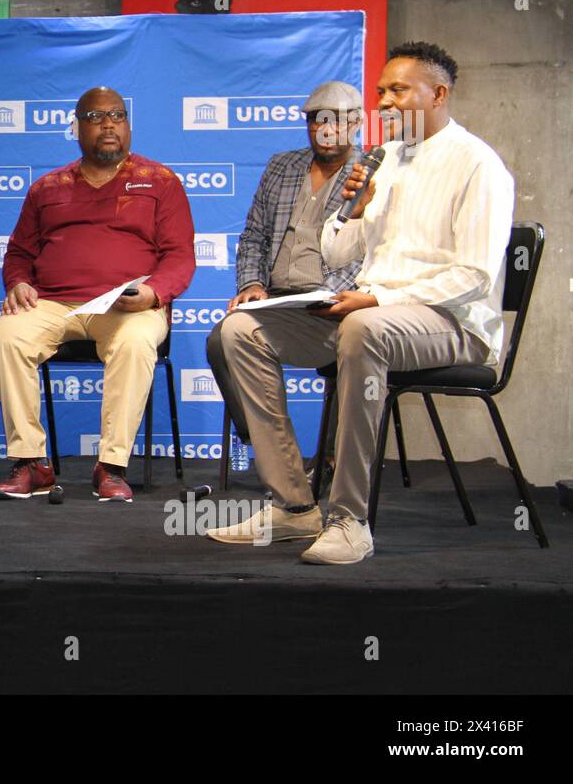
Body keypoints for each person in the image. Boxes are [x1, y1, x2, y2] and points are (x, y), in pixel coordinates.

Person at [208, 42, 513, 564]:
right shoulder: (385, 158)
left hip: (453, 323)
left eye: (399, 90)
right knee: (240, 330)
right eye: (380, 92)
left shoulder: (478, 165)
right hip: (373, 312)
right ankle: (293, 505)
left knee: (362, 330)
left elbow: (475, 275)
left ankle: (349, 520)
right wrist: (353, 212)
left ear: (439, 94)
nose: (386, 103)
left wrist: (376, 298)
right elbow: (338, 253)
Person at [0, 86, 195, 503]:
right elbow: (19, 253)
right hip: (52, 302)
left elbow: (179, 256)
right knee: (7, 335)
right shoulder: (48, 187)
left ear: (128, 125)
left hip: (126, 305)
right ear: (76, 128)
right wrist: (18, 283)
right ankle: (31, 463)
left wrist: (154, 293)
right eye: (96, 117)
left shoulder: (160, 182)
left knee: (136, 342)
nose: (108, 125)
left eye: (117, 116)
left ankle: (112, 466)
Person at [207, 80, 365, 458]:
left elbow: (372, 249)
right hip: (275, 298)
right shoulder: (282, 166)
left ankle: (332, 462)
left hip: (334, 302)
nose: (326, 130)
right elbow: (254, 235)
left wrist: (333, 294)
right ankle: (271, 449)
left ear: (357, 122)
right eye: (316, 121)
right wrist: (251, 282)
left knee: (357, 348)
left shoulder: (371, 173)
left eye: (337, 121)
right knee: (220, 342)